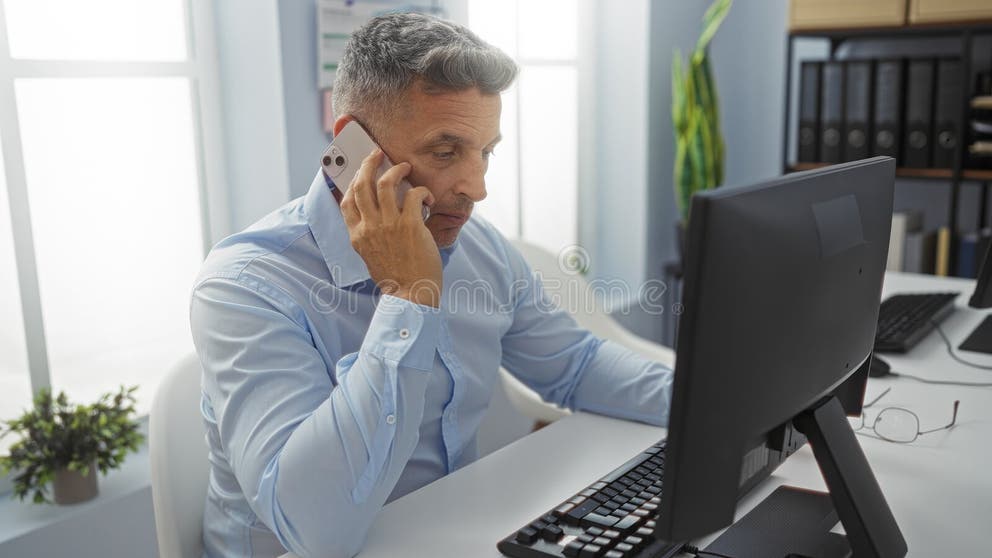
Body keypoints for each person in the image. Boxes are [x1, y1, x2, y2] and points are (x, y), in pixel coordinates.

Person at [191, 12, 674, 558]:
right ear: (351, 144)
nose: (477, 187)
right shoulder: (245, 287)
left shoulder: (479, 247)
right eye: (446, 152)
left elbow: (576, 365)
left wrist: (714, 410)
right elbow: (316, 531)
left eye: (485, 152)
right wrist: (407, 298)